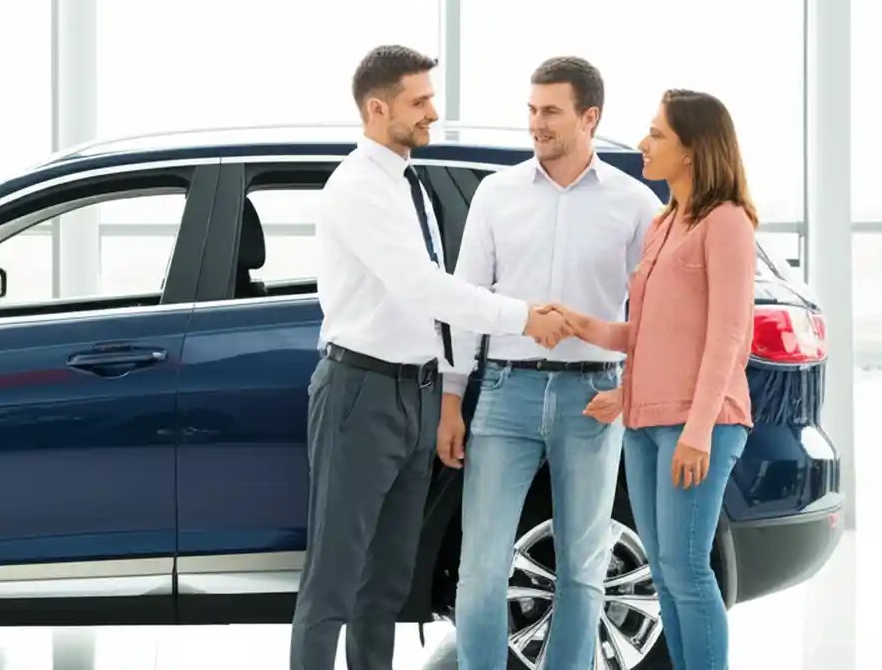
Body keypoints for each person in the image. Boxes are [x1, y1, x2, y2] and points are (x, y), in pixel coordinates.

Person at [289, 45, 571, 670]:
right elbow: (424, 288)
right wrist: (524, 317)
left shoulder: (406, 183)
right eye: (419, 101)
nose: (432, 113)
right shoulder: (359, 188)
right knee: (333, 577)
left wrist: (444, 391)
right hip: (361, 392)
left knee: (388, 580)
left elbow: (434, 307)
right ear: (377, 107)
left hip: (413, 395)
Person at [436, 56, 662, 669]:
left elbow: (658, 315)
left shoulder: (635, 205)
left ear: (590, 117)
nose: (536, 123)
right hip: (504, 390)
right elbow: (465, 302)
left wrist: (630, 387)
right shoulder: (496, 194)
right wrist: (452, 399)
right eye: (532, 110)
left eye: (551, 112)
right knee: (481, 566)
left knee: (583, 568)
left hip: (593, 396)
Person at [555, 88, 759, 670]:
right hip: (646, 423)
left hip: (699, 424)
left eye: (657, 133)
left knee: (688, 570)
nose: (643, 143)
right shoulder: (665, 222)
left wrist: (698, 430)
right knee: (665, 573)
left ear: (692, 149)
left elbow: (727, 335)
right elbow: (647, 332)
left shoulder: (726, 222)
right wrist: (583, 329)